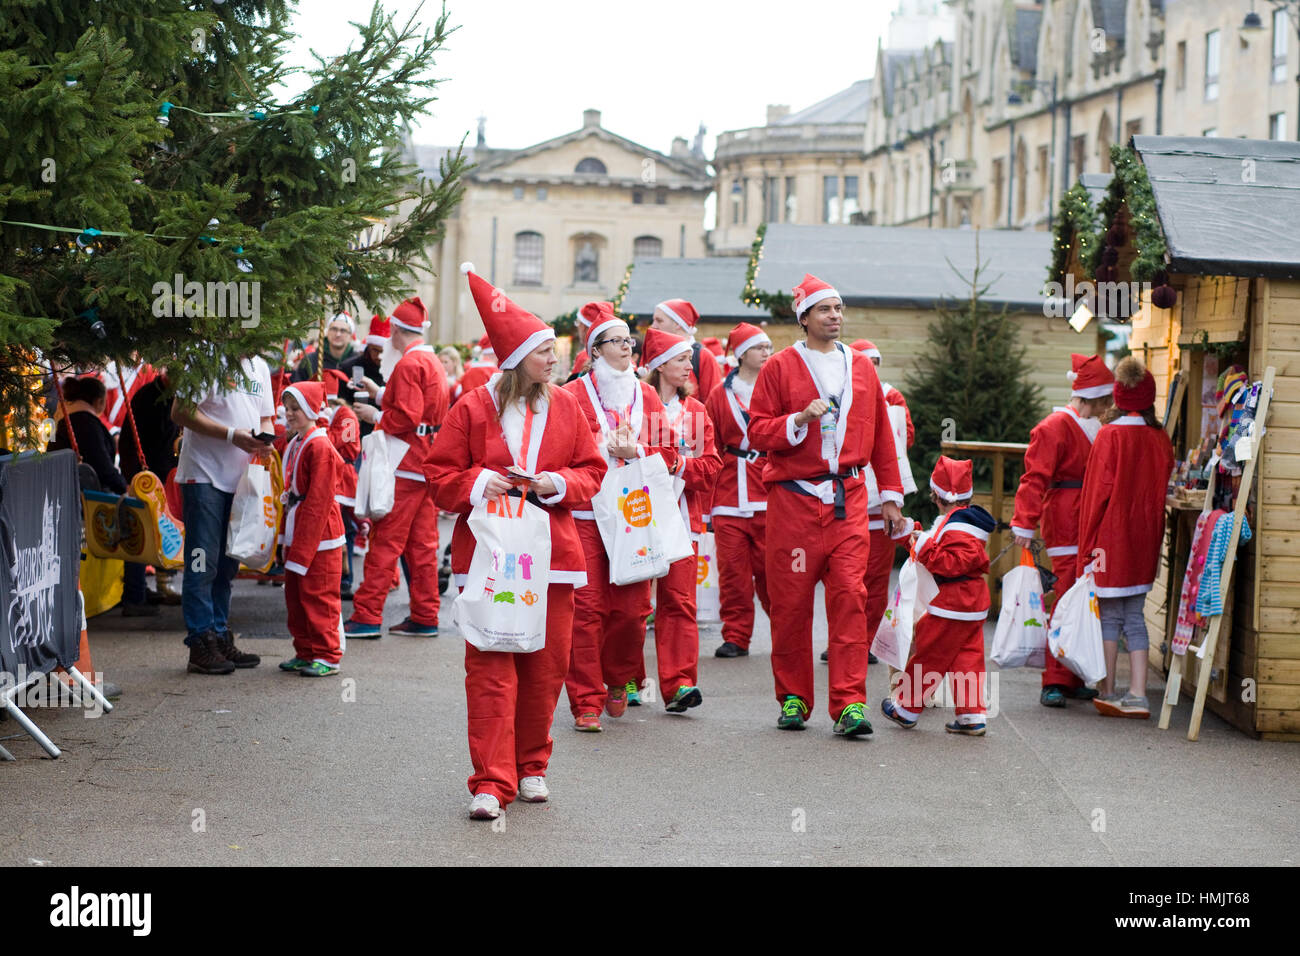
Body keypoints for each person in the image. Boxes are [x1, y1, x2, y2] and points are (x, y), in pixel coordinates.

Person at [427, 264, 606, 820]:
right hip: (488, 557)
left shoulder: (569, 405)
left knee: (546, 665)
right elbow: (440, 478)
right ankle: (489, 781)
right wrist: (481, 482)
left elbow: (592, 470)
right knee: (490, 665)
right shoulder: (472, 408)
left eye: (554, 349)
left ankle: (531, 766)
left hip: (552, 557)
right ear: (515, 359)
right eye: (544, 350)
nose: (555, 358)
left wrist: (556, 483)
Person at [747, 273, 906, 736]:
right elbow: (757, 431)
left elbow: (882, 440)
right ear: (805, 318)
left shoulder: (861, 367)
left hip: (851, 501)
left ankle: (849, 704)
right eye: (825, 309)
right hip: (794, 503)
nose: (835, 316)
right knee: (792, 604)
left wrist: (891, 499)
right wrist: (797, 419)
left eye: (838, 308)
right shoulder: (779, 368)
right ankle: (794, 698)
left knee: (851, 599)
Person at [562, 303, 679, 731]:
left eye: (630, 341)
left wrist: (638, 452)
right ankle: (585, 700)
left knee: (632, 611)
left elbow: (669, 452)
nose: (628, 347)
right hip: (587, 513)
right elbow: (559, 451)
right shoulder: (572, 394)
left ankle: (619, 677)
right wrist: (599, 444)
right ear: (595, 350)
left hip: (633, 514)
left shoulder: (646, 395)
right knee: (588, 607)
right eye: (617, 341)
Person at [1011, 353, 1115, 708]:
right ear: (1092, 397)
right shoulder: (1053, 427)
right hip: (1066, 517)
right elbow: (1033, 478)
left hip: (1090, 518)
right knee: (1068, 593)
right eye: (1105, 401)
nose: (1108, 407)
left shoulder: (1096, 425)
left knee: (1084, 594)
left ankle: (1072, 673)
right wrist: (1024, 521)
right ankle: (1054, 678)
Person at [1076, 356, 1175, 720]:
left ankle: (1107, 689)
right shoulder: (1160, 438)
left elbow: (1095, 496)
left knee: (1108, 616)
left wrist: (1086, 549)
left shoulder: (1109, 435)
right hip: (1145, 538)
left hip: (1109, 540)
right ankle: (1138, 695)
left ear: (1117, 397)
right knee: (1134, 614)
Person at [346, 298, 449, 638]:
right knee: (422, 546)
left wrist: (374, 415)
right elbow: (419, 410)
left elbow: (406, 416)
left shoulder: (407, 364)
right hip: (426, 462)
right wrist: (379, 395)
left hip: (404, 462)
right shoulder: (431, 361)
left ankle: (367, 615)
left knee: (386, 540)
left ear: (394, 332)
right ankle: (425, 614)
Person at [171, 353, 275, 674]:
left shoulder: (259, 364)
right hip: (203, 477)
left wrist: (264, 440)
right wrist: (232, 435)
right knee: (202, 561)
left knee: (228, 563)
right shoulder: (205, 356)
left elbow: (266, 416)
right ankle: (200, 642)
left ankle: (218, 634)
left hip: (242, 481)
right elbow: (181, 411)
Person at [881, 456, 996, 735]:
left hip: (951, 603)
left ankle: (905, 708)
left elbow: (948, 562)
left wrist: (921, 544)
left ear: (937, 496)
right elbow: (937, 545)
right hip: (972, 604)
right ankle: (971, 716)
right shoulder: (963, 524)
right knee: (967, 658)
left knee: (929, 653)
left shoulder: (958, 528)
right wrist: (914, 535)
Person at [642, 327, 721, 712]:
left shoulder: (696, 411)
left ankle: (679, 684)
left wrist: (679, 464)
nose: (689, 366)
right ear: (658, 365)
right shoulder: (639, 405)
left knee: (679, 602)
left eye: (689, 359)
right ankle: (624, 678)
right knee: (633, 606)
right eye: (680, 359)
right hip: (636, 520)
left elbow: (711, 469)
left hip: (683, 520)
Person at [824, 339, 917, 666]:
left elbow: (905, 438)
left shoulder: (891, 396)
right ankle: (840, 639)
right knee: (842, 578)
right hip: (844, 497)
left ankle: (864, 641)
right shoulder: (837, 391)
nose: (870, 368)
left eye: (874, 362)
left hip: (880, 501)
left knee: (875, 578)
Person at [704, 322, 774, 658]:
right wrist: (708, 502)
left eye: (769, 347)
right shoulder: (720, 395)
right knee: (733, 573)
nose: (767, 353)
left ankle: (787, 630)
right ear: (742, 354)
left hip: (770, 494)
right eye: (760, 347)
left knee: (772, 573)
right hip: (730, 495)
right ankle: (736, 636)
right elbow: (711, 446)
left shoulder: (778, 388)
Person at [276, 381, 347, 677]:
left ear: (310, 410)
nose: (290, 414)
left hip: (320, 535)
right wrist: (285, 538)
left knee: (319, 595)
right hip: (298, 528)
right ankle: (305, 650)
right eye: (288, 409)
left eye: (296, 409)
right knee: (295, 595)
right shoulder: (296, 442)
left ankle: (328, 655)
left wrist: (302, 547)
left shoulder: (319, 445)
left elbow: (318, 500)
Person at [119, 367, 182, 608]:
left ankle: (160, 585)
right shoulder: (148, 397)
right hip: (146, 476)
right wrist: (135, 475)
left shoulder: (172, 396)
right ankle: (135, 595)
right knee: (142, 533)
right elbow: (134, 441)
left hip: (165, 475)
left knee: (168, 532)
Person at [320, 369, 362, 600]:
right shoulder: (336, 413)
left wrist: (323, 422)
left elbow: (332, 442)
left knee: (344, 528)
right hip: (335, 476)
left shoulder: (345, 415)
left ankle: (345, 580)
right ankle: (337, 578)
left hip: (343, 478)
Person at [648, 298, 721, 401]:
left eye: (659, 321)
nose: (653, 326)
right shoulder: (654, 354)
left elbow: (712, 405)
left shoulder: (703, 356)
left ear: (678, 324)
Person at [337, 316, 389, 430]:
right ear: (368, 346)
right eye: (375, 350)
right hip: (353, 430)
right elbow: (340, 401)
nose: (379, 356)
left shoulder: (395, 370)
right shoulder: (349, 367)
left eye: (383, 351)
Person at [293, 312, 358, 382]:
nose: (338, 334)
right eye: (334, 329)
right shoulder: (310, 360)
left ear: (350, 336)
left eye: (343, 330)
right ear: (327, 332)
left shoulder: (357, 361)